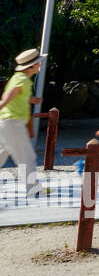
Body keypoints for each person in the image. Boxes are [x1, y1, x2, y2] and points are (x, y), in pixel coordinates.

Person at [0, 48, 45, 197]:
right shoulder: (22, 80)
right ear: (31, 66)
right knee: (26, 157)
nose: (40, 65)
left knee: (1, 155)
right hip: (13, 123)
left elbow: (16, 95)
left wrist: (31, 100)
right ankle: (33, 189)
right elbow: (7, 98)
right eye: (38, 63)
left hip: (7, 122)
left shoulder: (19, 78)